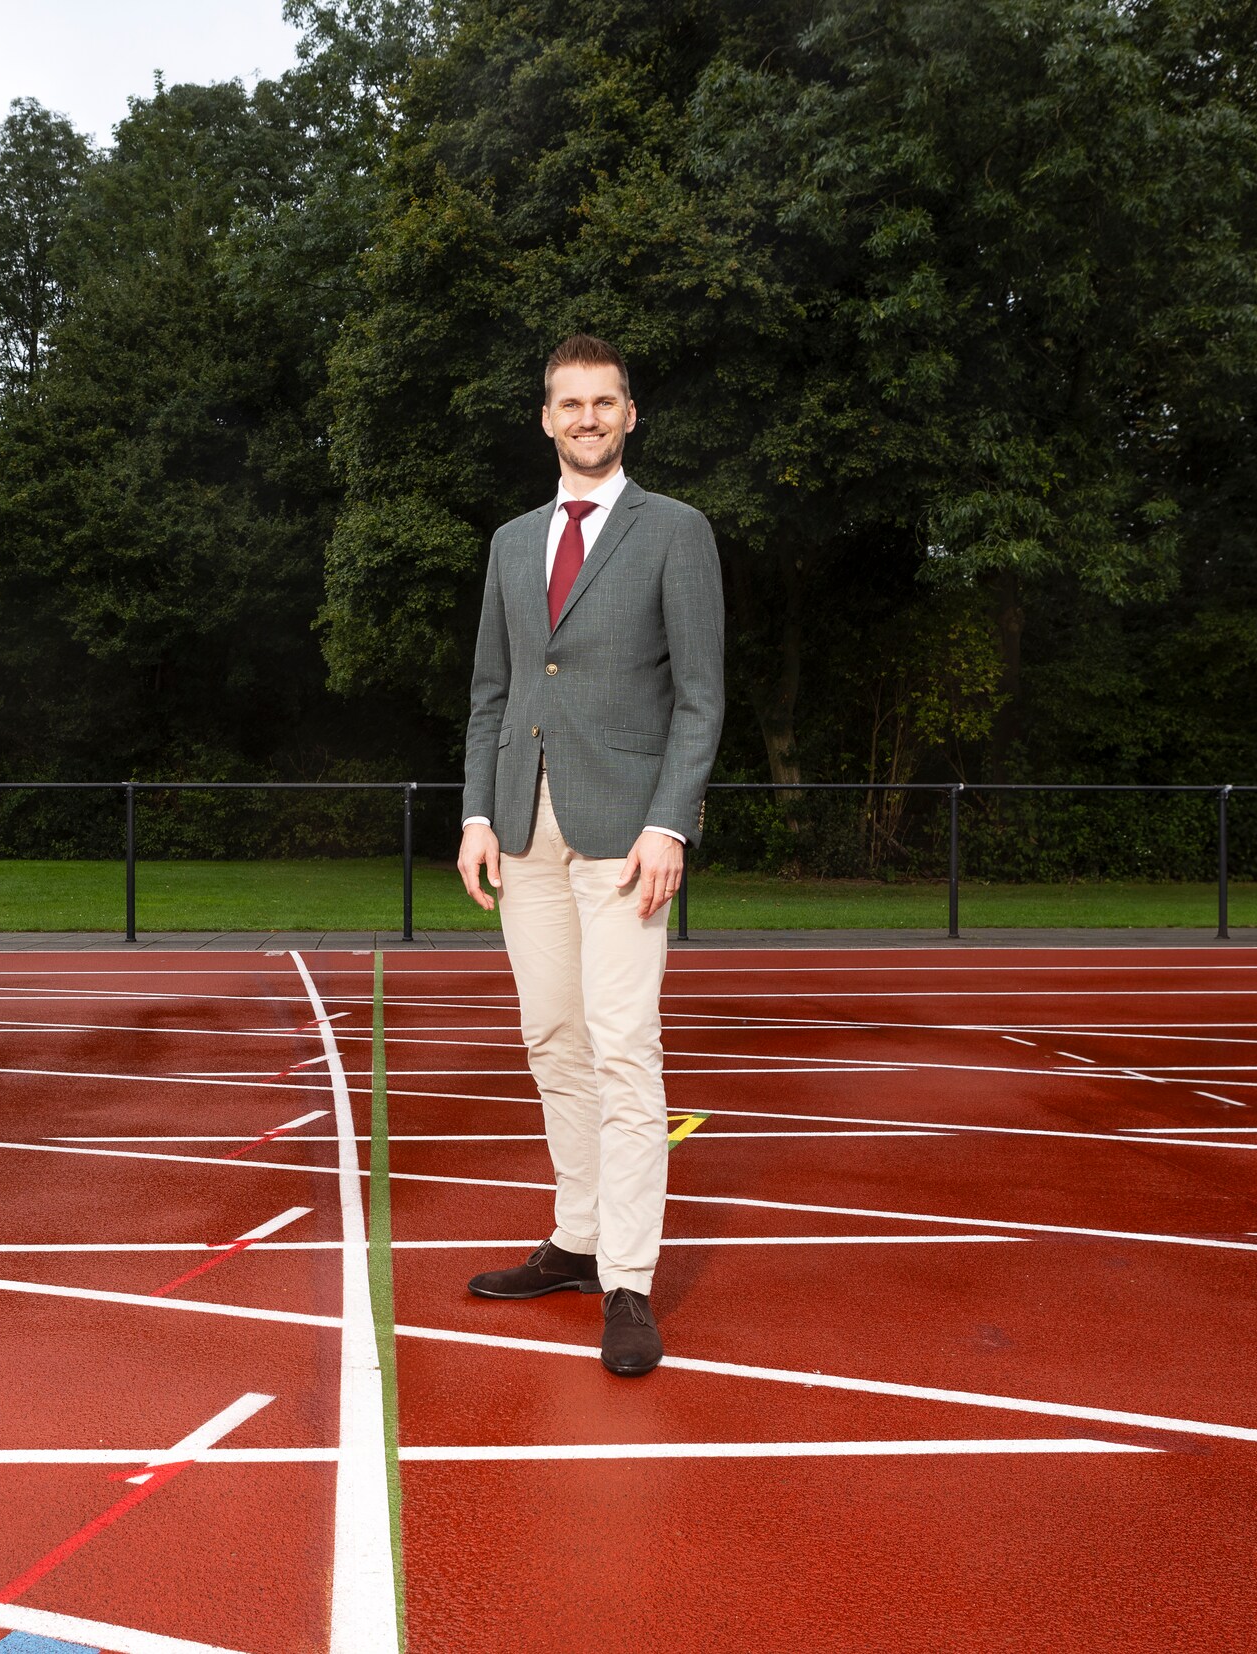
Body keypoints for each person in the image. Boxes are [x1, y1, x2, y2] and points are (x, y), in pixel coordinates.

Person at [455, 334, 726, 1377]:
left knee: (623, 1050)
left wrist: (671, 821)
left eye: (602, 403)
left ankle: (626, 1277)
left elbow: (700, 696)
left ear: (628, 414)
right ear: (543, 417)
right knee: (553, 1039)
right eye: (567, 403)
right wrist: (477, 815)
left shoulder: (676, 532)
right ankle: (572, 1240)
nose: (584, 418)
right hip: (524, 828)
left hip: (626, 837)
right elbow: (492, 690)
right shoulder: (512, 542)